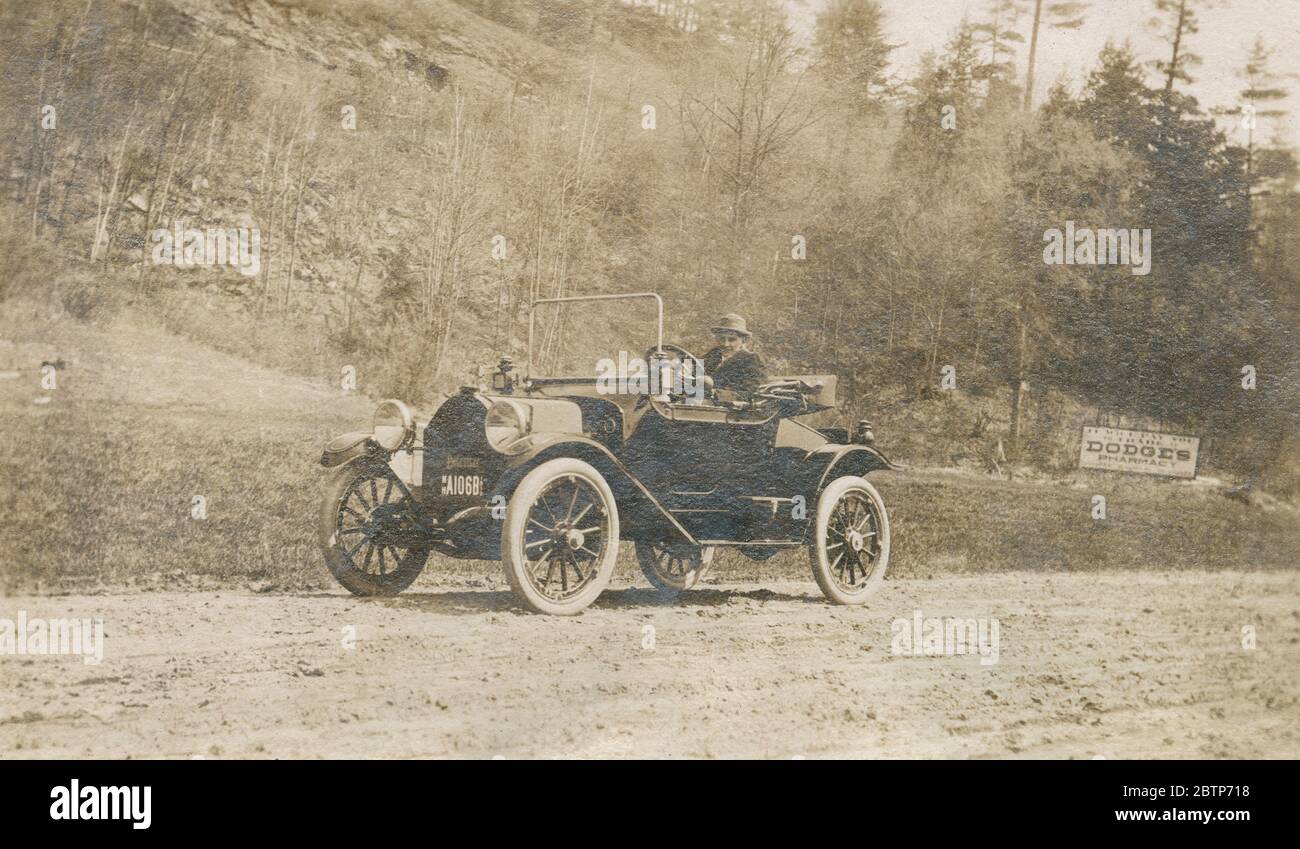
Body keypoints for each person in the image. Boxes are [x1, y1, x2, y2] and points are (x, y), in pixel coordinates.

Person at [700, 313, 766, 399]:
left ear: (744, 340)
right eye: (722, 338)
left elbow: (749, 393)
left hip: (729, 410)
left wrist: (715, 392)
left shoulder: (751, 360)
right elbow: (693, 372)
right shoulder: (712, 355)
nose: (725, 344)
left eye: (732, 339)